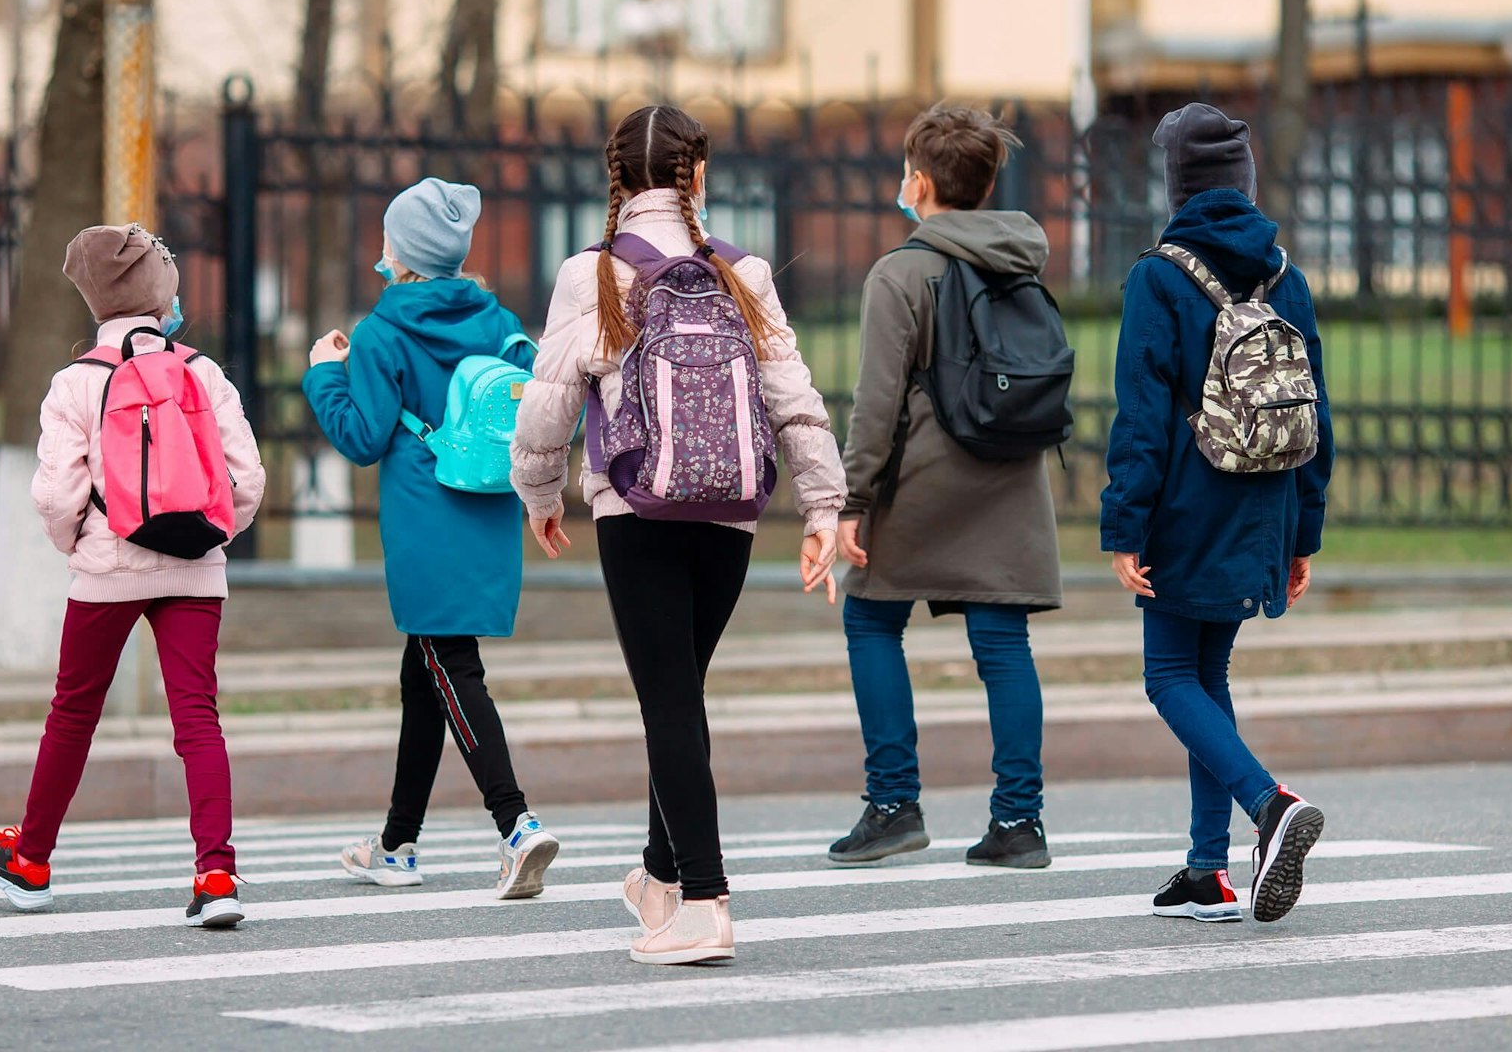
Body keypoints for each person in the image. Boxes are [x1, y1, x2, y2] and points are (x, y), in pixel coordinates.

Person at [512, 105, 846, 965]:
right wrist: (822, 508)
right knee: (680, 696)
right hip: (731, 512)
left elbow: (548, 404)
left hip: (637, 508)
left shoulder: (590, 274)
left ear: (616, 179)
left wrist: (539, 493)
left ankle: (704, 900)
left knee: (667, 702)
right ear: (698, 177)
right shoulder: (745, 271)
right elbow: (793, 396)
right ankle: (661, 878)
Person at [0, 223, 265, 927]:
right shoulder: (204, 372)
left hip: (107, 567)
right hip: (196, 569)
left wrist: (79, 543)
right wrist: (210, 535)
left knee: (73, 712)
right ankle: (216, 875)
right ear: (162, 293)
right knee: (197, 716)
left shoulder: (75, 383)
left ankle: (31, 859)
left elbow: (55, 495)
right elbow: (247, 478)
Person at [1102, 103, 1334, 923]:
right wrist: (1304, 533)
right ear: (1245, 183)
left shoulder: (1158, 277)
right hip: (1265, 506)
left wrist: (1125, 525)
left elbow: (1140, 416)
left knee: (1168, 676)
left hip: (1185, 510)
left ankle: (1270, 805)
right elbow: (1317, 415)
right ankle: (1208, 872)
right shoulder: (1285, 277)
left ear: (1177, 187)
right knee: (1207, 676)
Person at [304, 178, 560, 901]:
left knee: (451, 666)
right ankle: (396, 845)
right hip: (486, 509)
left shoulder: (381, 333)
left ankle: (516, 824)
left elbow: (360, 438)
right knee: (424, 677)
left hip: (425, 517)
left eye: (389, 237)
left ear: (402, 252)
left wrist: (324, 375)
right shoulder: (497, 319)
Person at [828, 105, 1064, 871]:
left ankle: (894, 803)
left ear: (921, 184)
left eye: (906, 173)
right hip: (1012, 479)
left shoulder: (901, 273)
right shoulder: (1020, 258)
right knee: (1003, 644)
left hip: (926, 482)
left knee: (870, 620)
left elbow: (876, 404)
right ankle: (1019, 821)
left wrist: (851, 501)